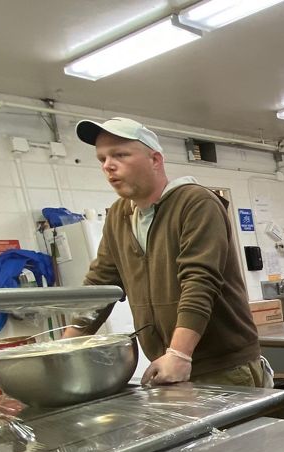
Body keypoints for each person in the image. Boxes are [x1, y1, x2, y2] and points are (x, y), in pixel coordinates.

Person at [67, 117, 269, 388]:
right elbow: (99, 287)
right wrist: (63, 352)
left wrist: (179, 353)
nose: (108, 166)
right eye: (102, 158)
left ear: (155, 159)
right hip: (168, 367)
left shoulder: (196, 203)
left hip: (222, 368)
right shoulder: (118, 216)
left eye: (120, 155)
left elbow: (199, 281)